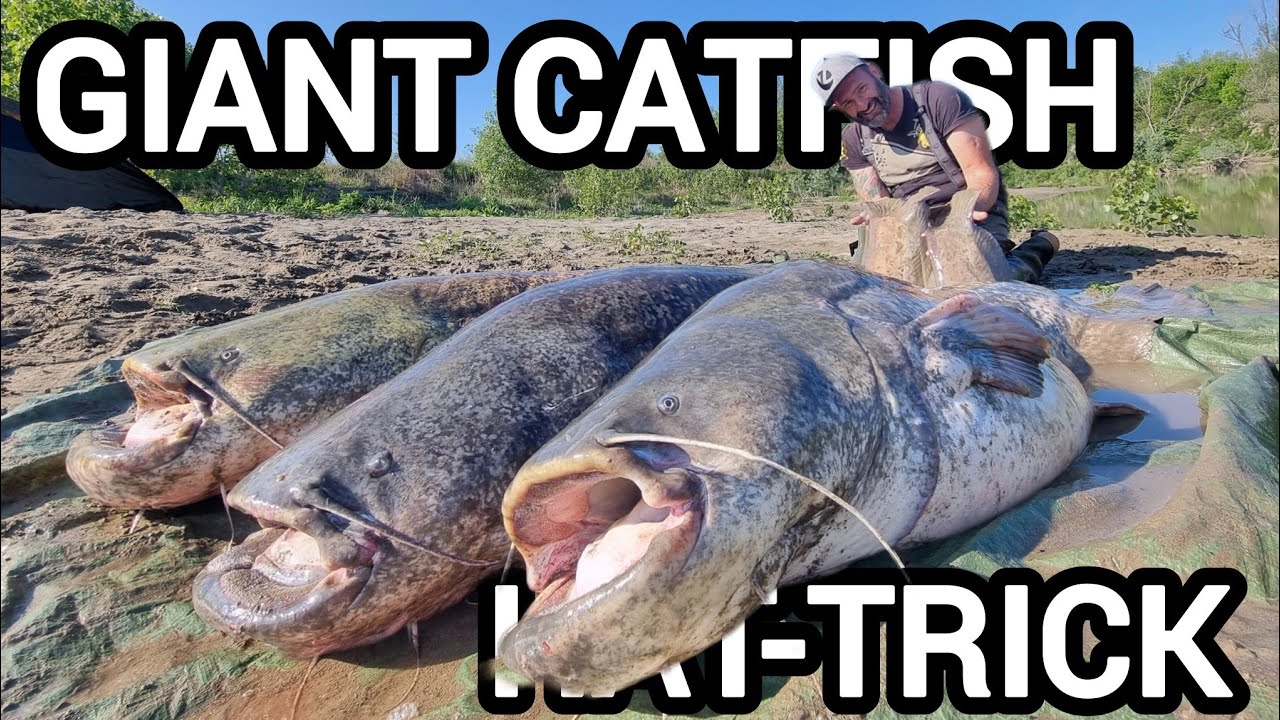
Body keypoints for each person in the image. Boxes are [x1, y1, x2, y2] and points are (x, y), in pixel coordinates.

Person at [809, 53, 1058, 283]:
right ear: (840, 108)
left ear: (875, 72)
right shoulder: (854, 139)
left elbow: (980, 173)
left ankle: (1042, 244)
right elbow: (880, 203)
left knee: (984, 284)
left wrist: (963, 218)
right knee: (875, 286)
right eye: (848, 102)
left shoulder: (938, 99)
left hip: (965, 209)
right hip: (909, 220)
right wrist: (879, 218)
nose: (862, 105)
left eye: (861, 88)